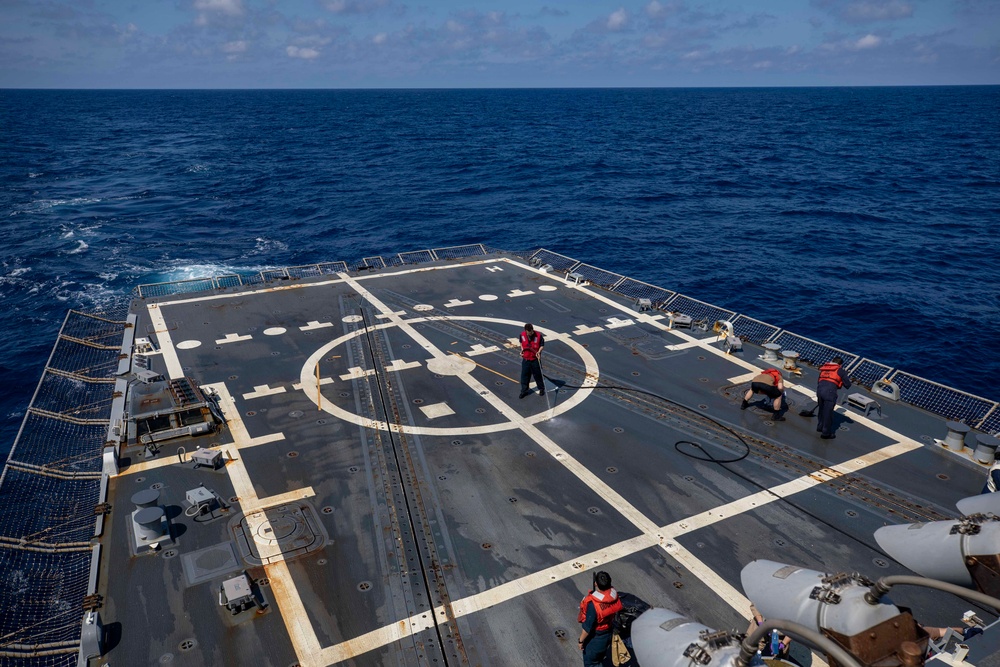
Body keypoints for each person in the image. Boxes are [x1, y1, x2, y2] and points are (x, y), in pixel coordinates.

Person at [578, 571, 624, 667]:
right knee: (600, 656)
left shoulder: (593, 604)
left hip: (597, 637)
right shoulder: (613, 596)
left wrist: (581, 641)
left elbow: (587, 628)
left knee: (591, 663)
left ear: (595, 584)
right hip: (609, 631)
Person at [816, 356, 851, 439]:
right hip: (830, 392)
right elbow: (848, 385)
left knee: (821, 409)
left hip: (819, 390)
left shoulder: (824, 368)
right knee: (828, 412)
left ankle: (819, 427)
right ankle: (825, 433)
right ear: (840, 364)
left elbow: (819, 380)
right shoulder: (840, 371)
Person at [519, 323, 545, 399]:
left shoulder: (539, 336)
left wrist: (539, 352)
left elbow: (542, 345)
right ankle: (524, 390)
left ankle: (541, 388)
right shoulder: (522, 335)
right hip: (526, 359)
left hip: (535, 359)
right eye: (528, 332)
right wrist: (522, 350)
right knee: (524, 376)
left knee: (538, 375)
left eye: (531, 332)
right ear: (526, 331)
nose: (530, 334)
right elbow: (521, 343)